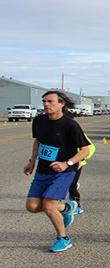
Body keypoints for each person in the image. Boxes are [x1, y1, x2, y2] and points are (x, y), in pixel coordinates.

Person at [24, 90, 91, 252]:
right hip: (43, 170)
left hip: (64, 172)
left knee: (48, 206)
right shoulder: (39, 120)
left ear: (61, 104)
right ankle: (67, 208)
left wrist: (67, 163)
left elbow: (85, 150)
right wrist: (32, 161)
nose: (46, 104)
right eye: (44, 101)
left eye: (50, 101)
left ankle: (63, 238)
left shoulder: (70, 124)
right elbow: (38, 141)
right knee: (32, 206)